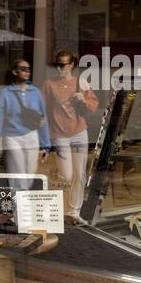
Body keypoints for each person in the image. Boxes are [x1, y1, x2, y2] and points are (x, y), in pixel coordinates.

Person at [43, 49, 98, 221]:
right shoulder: (49, 84)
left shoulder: (80, 82)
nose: (59, 68)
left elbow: (93, 104)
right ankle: (57, 205)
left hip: (79, 132)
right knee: (66, 175)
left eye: (63, 65)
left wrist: (83, 100)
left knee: (79, 174)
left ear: (71, 65)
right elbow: (41, 109)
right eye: (57, 65)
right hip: (60, 135)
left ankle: (74, 211)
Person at [0, 59, 50, 175]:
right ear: (15, 72)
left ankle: (23, 192)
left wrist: (46, 145)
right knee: (18, 173)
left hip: (32, 136)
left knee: (31, 172)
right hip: (12, 138)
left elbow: (43, 119)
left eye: (28, 69)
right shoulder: (5, 93)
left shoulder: (36, 92)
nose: (27, 72)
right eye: (23, 69)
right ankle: (18, 192)